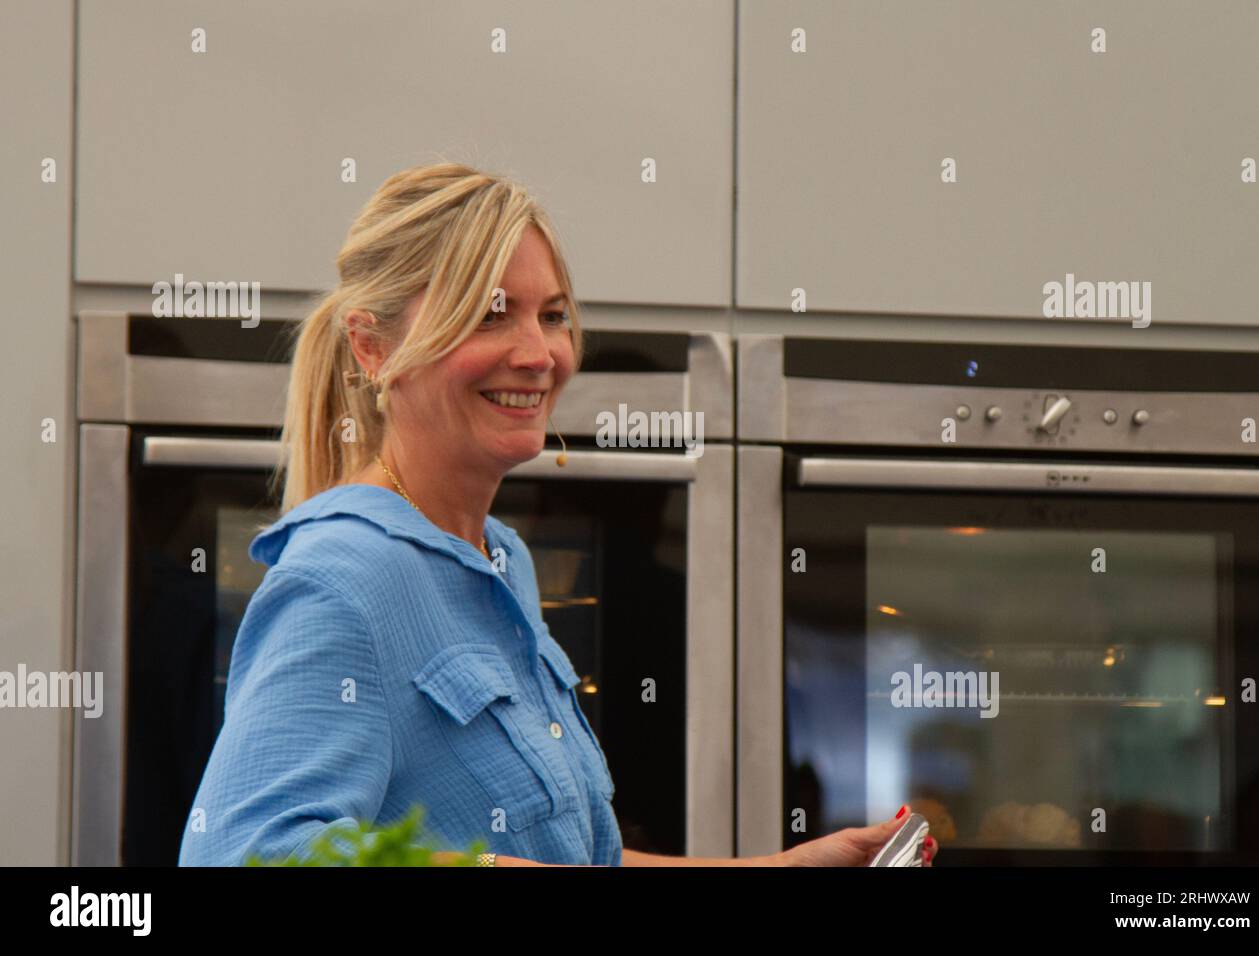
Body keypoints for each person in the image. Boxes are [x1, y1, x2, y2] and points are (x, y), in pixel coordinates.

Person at [178, 163, 939, 868]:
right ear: (373, 349)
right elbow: (246, 851)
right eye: (490, 316)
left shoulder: (499, 561)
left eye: (553, 316)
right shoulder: (346, 577)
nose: (539, 352)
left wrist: (782, 869)